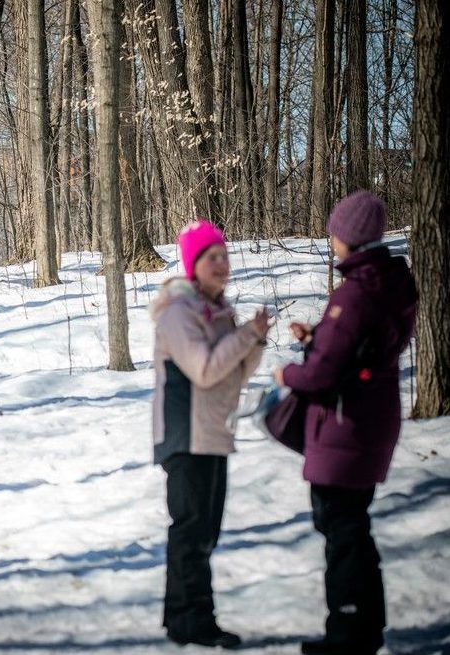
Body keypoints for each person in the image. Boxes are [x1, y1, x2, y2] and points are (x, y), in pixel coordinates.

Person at [273, 190, 418, 655]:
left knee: (341, 531)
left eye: (335, 229)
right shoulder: (388, 283)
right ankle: (364, 626)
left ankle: (348, 634)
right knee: (352, 526)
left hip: (346, 426)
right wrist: (320, 335)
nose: (331, 237)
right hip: (371, 421)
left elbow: (319, 373)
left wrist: (285, 373)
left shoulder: (355, 294)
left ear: (348, 236)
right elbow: (361, 346)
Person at [151, 219, 269, 648]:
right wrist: (243, 337)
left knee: (205, 533)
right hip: (184, 437)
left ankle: (181, 617)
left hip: (213, 433)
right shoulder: (178, 313)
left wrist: (253, 343)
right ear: (193, 264)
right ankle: (192, 621)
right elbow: (203, 370)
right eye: (211, 257)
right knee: (191, 530)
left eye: (224, 256)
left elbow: (234, 375)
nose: (222, 264)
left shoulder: (220, 312)